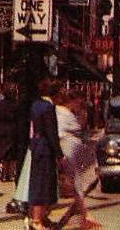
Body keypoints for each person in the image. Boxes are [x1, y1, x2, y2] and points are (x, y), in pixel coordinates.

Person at [53, 89, 101, 230]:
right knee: (73, 183)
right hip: (65, 151)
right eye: (77, 104)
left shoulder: (64, 112)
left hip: (70, 151)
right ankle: (86, 216)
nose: (78, 107)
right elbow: (60, 132)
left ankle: (85, 216)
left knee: (75, 183)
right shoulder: (60, 112)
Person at [25, 78, 63, 230]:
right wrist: (60, 154)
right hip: (45, 149)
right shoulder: (48, 107)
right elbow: (51, 132)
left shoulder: (35, 105)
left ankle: (41, 217)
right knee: (43, 184)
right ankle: (36, 221)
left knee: (39, 183)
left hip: (36, 146)